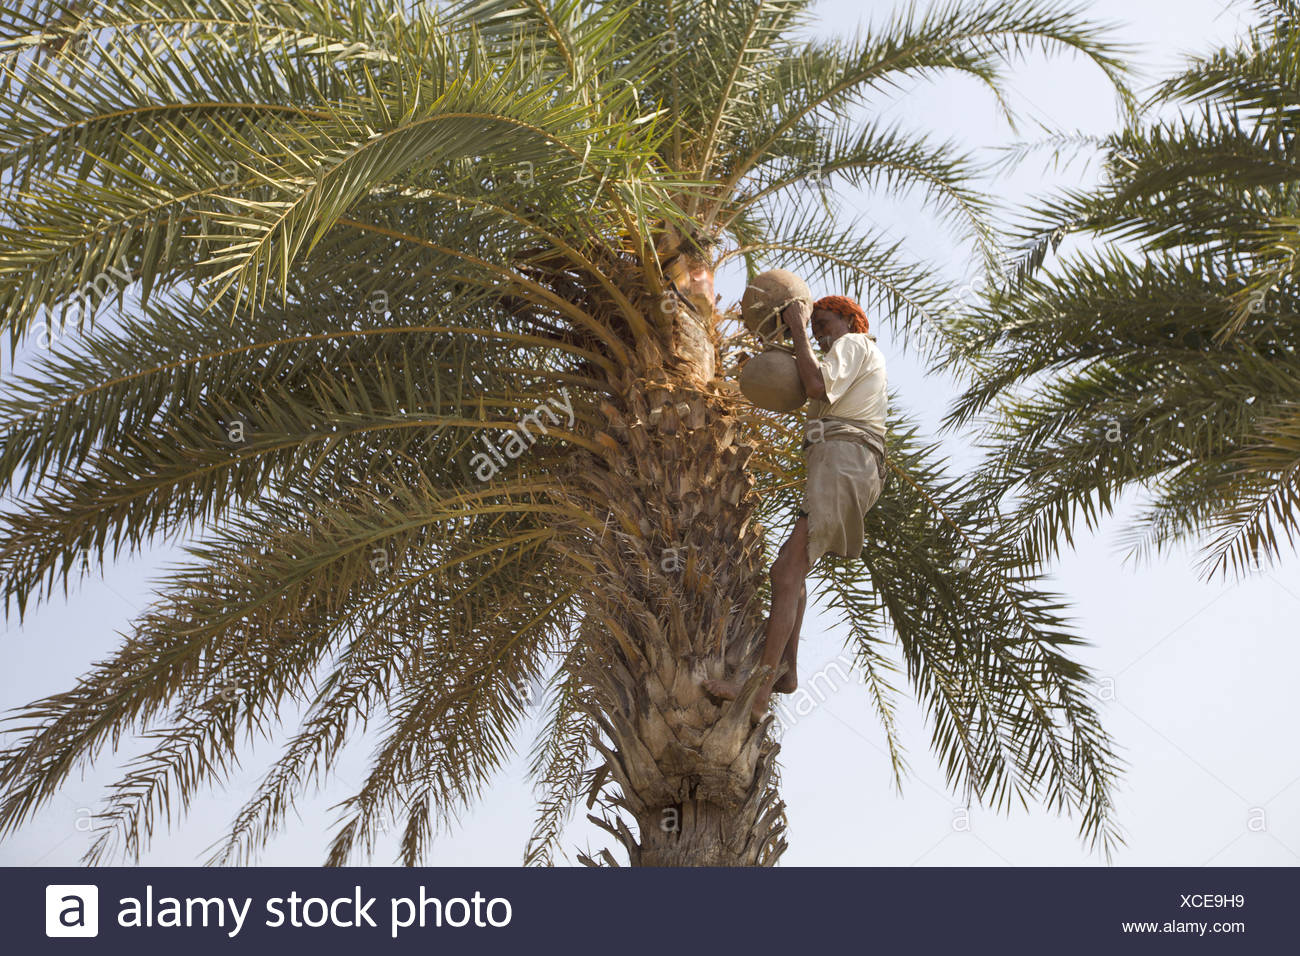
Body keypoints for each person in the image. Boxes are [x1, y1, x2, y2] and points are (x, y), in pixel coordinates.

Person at [704, 294, 888, 722]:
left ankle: (760, 690)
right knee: (788, 571)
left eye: (825, 324)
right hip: (841, 462)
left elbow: (815, 386)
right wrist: (787, 342)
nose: (821, 334)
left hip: (845, 460)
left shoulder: (855, 343)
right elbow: (805, 380)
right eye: (816, 327)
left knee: (786, 572)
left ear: (848, 319)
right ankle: (785, 673)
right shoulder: (853, 354)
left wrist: (800, 327)